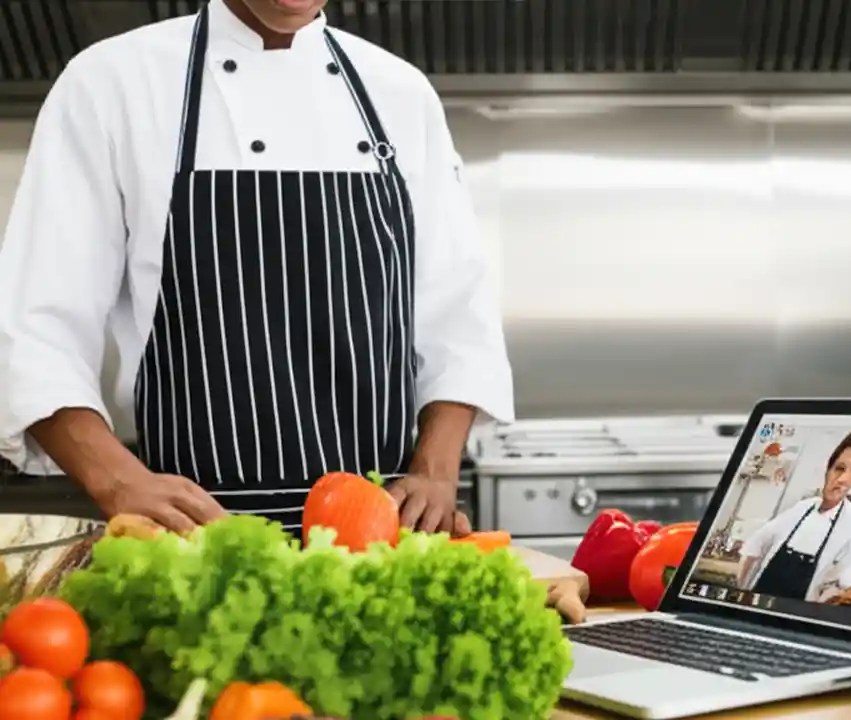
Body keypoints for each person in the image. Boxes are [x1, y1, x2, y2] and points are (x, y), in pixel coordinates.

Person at [0, 0, 513, 538]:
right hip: (197, 540)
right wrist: (118, 479)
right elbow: (37, 326)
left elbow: (458, 314)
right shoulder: (111, 84)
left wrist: (435, 469)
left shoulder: (401, 95)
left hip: (377, 540)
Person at [736, 430, 851, 602]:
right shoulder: (803, 507)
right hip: (759, 601)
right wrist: (741, 591)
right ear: (828, 469)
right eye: (839, 468)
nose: (843, 479)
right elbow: (755, 543)